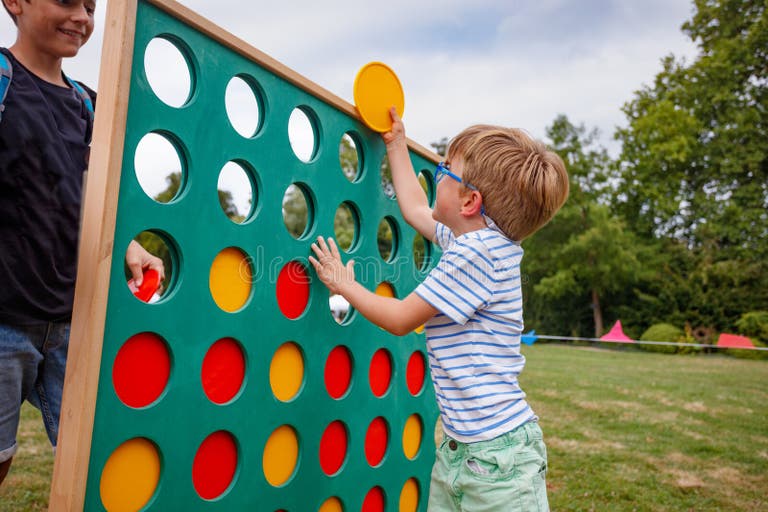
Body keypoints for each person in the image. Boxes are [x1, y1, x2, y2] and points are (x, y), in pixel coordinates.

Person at [310, 108, 568, 511]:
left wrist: (344, 283)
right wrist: (395, 143)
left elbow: (400, 319)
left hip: (493, 459)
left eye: (445, 169)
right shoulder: (481, 240)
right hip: (467, 449)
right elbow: (414, 209)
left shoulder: (476, 254)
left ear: (469, 201)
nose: (436, 173)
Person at [0, 0, 164, 485]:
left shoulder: (87, 103)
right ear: (16, 2)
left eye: (90, 8)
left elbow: (97, 197)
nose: (83, 19)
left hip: (72, 321)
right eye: (68, 2)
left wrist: (129, 245)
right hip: (4, 320)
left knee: (98, 450)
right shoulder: (4, 82)